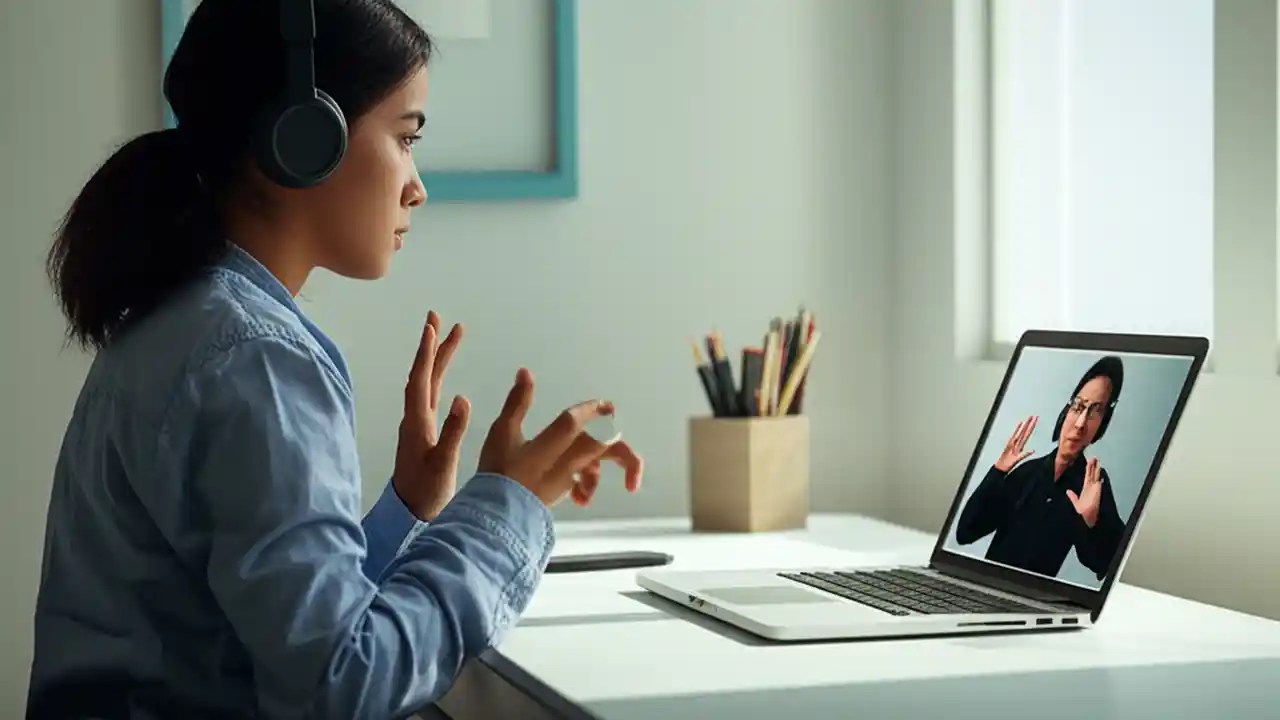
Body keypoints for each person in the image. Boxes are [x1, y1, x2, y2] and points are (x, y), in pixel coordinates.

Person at [26, 1, 643, 717]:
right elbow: (346, 686)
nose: (418, 185)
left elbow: (277, 635)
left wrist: (408, 509)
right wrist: (508, 509)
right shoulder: (253, 357)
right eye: (406, 137)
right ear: (306, 136)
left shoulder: (184, 321)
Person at [955, 356, 1125, 582]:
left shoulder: (1092, 484)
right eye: (1079, 406)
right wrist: (997, 472)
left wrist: (1091, 522)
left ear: (1103, 423)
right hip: (987, 592)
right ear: (1067, 410)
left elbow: (1104, 564)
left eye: (1095, 410)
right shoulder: (1027, 473)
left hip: (1034, 605)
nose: (1080, 423)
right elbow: (965, 532)